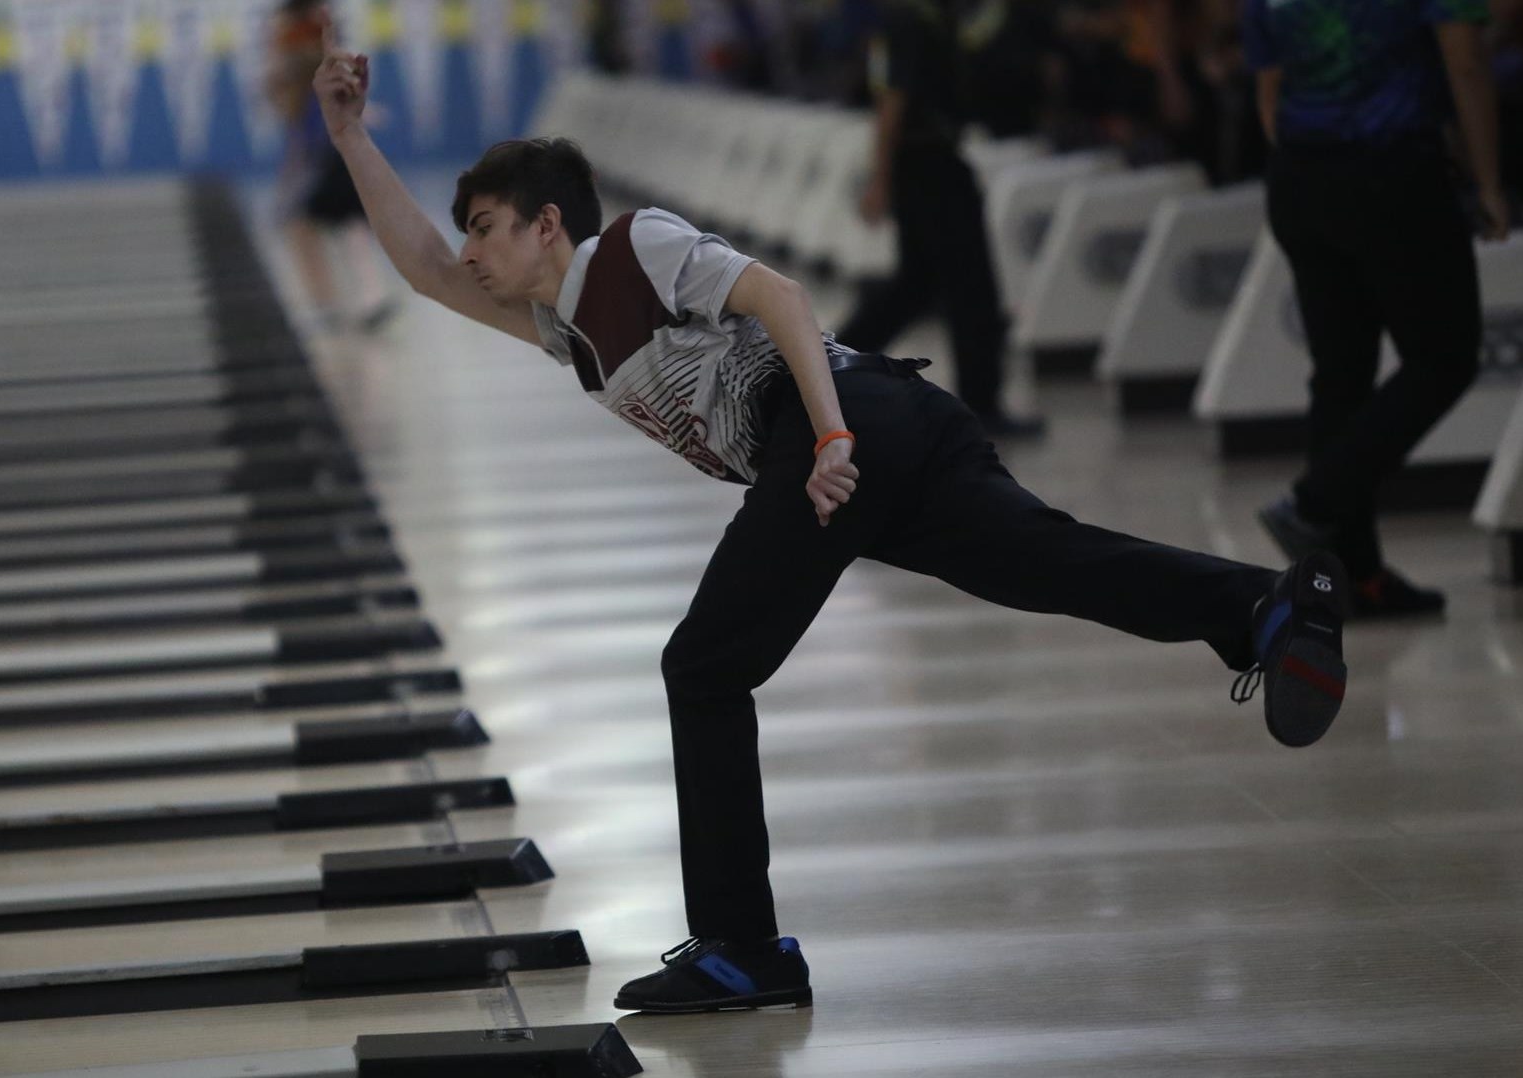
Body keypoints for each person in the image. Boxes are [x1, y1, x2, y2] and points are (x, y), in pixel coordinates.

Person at [311, 28, 1352, 1015]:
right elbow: (424, 269)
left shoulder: (636, 244)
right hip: (888, 422)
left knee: (704, 666)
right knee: (1053, 562)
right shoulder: (561, 327)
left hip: (837, 424)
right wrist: (351, 134)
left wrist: (830, 438)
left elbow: (785, 301)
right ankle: (1263, 607)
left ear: (547, 224)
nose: (471, 251)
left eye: (486, 227)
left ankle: (741, 950)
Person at [1246, 0, 1511, 618]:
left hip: (1298, 175)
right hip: (1390, 169)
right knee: (1443, 356)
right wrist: (1488, 181)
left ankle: (1349, 578)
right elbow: (1465, 60)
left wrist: (1305, 172)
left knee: (1340, 373)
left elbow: (1268, 86)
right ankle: (1315, 503)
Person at [834, 0, 1042, 438]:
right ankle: (982, 404)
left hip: (928, 160)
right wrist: (880, 180)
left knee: (915, 284)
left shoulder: (922, 18)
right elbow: (893, 100)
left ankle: (833, 363)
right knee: (972, 290)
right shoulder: (913, 21)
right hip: (929, 165)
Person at [265, 0, 394, 333]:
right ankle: (358, 299)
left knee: (322, 223)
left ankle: (341, 302)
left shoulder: (304, 39)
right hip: (324, 148)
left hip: (327, 150)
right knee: (342, 224)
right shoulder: (301, 36)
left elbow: (286, 89)